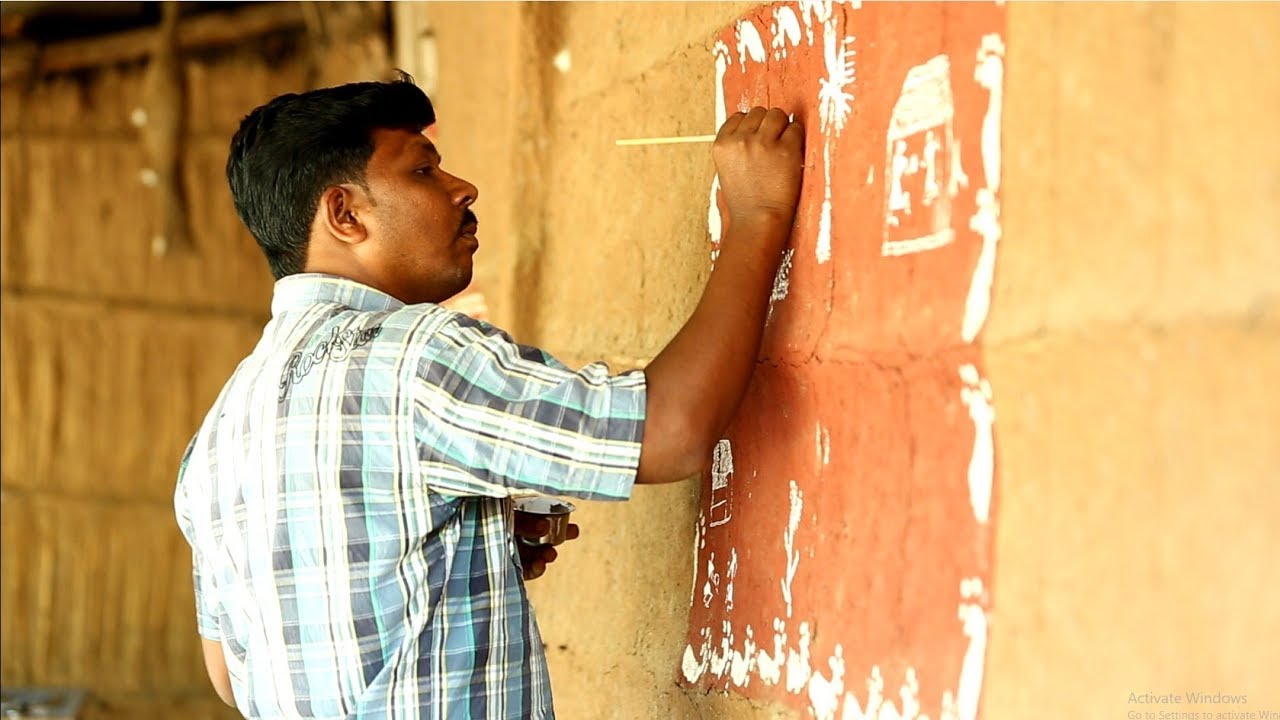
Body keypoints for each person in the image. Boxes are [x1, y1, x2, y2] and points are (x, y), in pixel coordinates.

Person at [174, 73, 804, 719]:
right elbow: (671, 431)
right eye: (422, 172)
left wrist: (447, 554)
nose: (462, 189)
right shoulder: (413, 354)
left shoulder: (220, 433)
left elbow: (230, 671)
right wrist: (757, 215)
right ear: (344, 214)